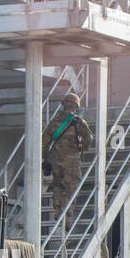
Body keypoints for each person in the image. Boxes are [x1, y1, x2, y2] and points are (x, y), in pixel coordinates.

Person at [43, 92, 93, 229]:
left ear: (63, 105)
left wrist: (45, 159)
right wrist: (81, 149)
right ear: (76, 107)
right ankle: (66, 214)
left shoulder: (54, 122)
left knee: (58, 185)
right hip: (72, 160)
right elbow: (89, 140)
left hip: (55, 159)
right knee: (72, 186)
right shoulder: (78, 122)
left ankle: (57, 211)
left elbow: (44, 141)